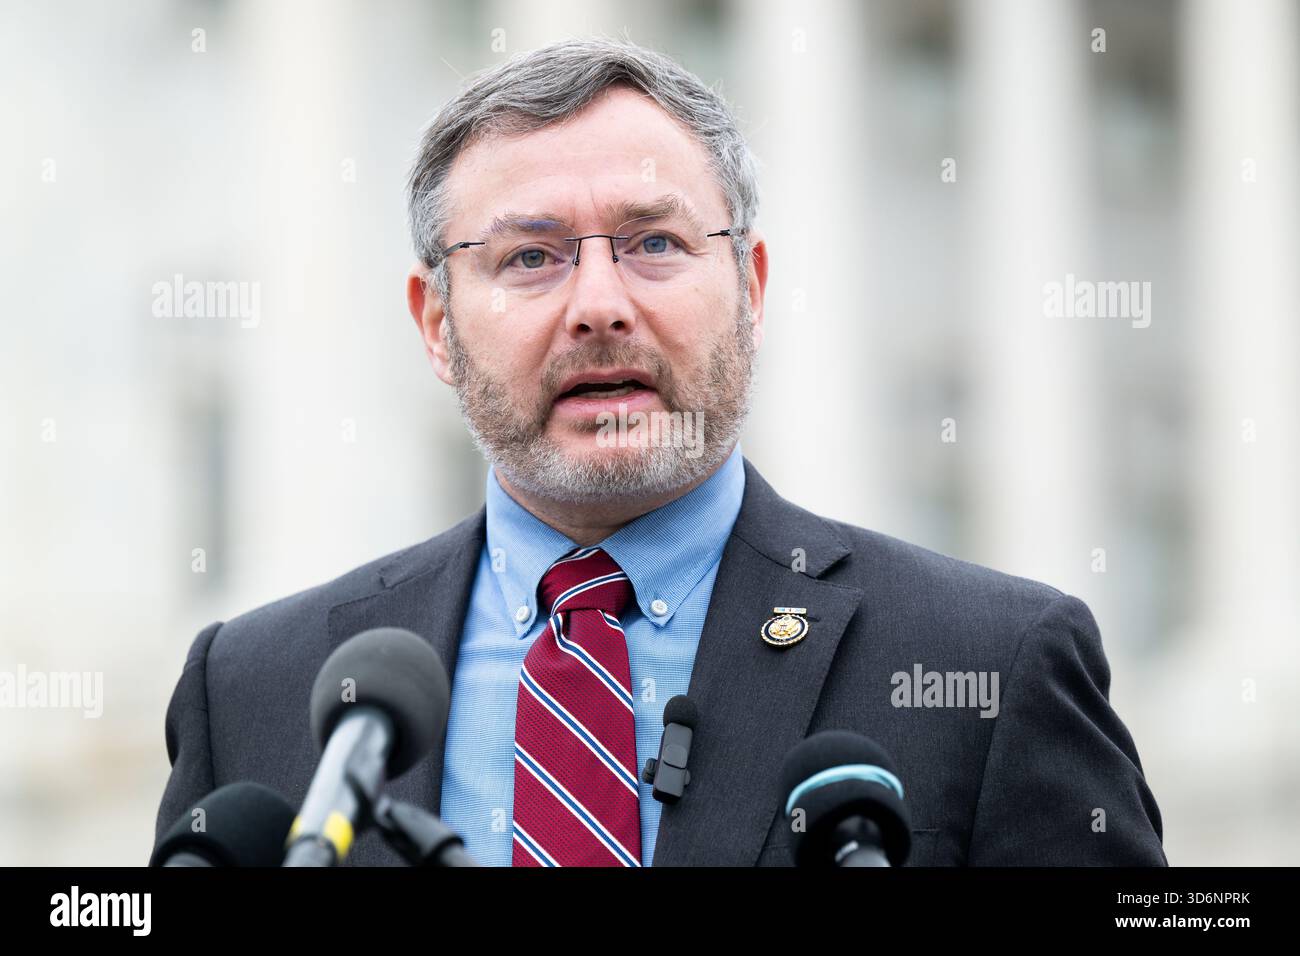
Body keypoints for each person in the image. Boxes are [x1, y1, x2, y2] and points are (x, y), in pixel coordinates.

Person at [154, 36, 1166, 867]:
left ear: (751, 288)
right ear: (435, 323)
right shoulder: (254, 686)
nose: (599, 306)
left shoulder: (989, 660)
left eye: (653, 243)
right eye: (530, 256)